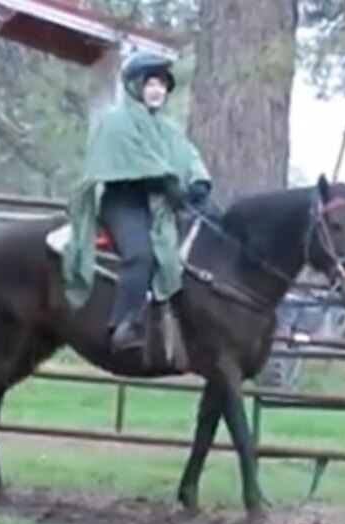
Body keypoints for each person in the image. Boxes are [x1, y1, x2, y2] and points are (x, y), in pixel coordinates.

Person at [62, 51, 215, 354]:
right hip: (123, 204)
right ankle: (123, 324)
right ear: (135, 86)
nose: (157, 91)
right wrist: (164, 181)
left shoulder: (166, 129)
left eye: (162, 85)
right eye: (150, 84)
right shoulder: (116, 123)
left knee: (189, 253)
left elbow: (186, 156)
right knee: (142, 255)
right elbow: (138, 164)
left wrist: (197, 183)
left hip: (157, 205)